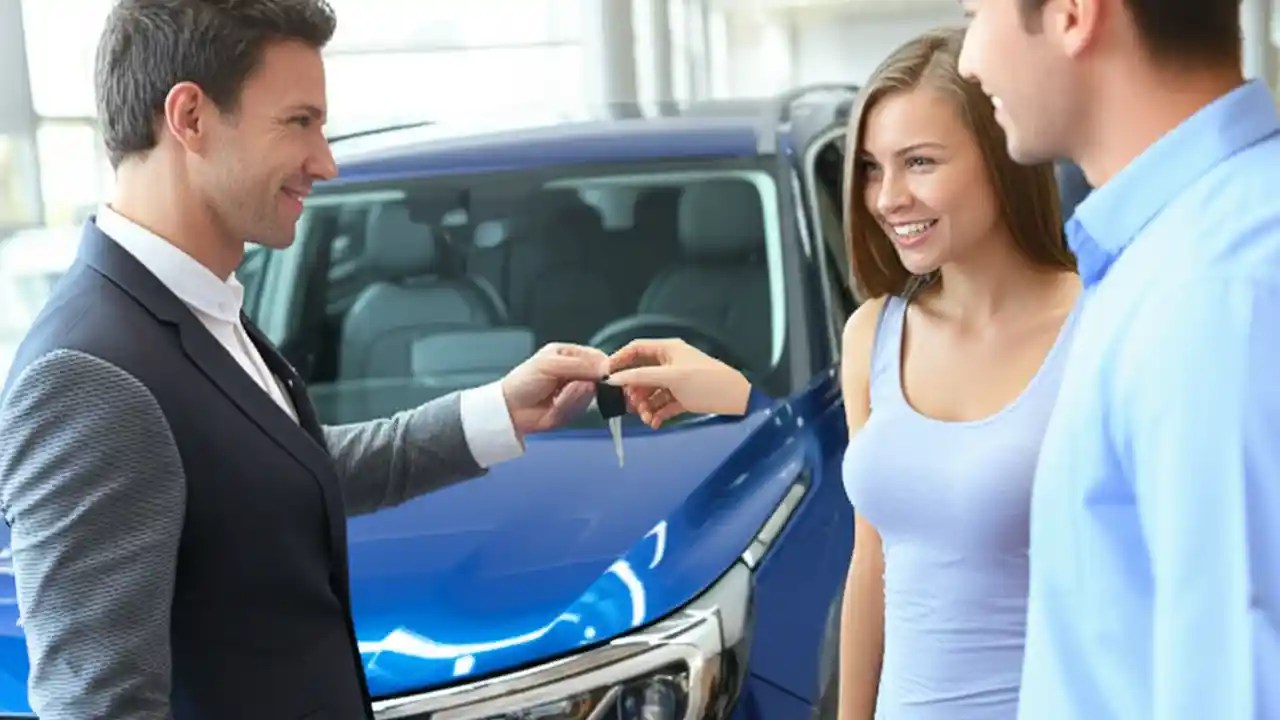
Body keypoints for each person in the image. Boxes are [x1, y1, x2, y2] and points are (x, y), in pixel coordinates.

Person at [0, 2, 607, 718]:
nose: (325, 160)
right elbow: (101, 708)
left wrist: (499, 410)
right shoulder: (87, 378)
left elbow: (281, 476)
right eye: (300, 122)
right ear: (190, 117)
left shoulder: (198, 306)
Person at [608, 26, 1080, 719]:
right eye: (870, 167)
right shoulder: (875, 334)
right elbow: (874, 562)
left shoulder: (1097, 325)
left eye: (919, 162)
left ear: (1002, 156)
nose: (887, 197)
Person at [956, 0, 1280, 717]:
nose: (968, 59)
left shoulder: (1212, 293)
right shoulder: (1174, 253)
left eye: (977, 12)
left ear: (1074, 13)